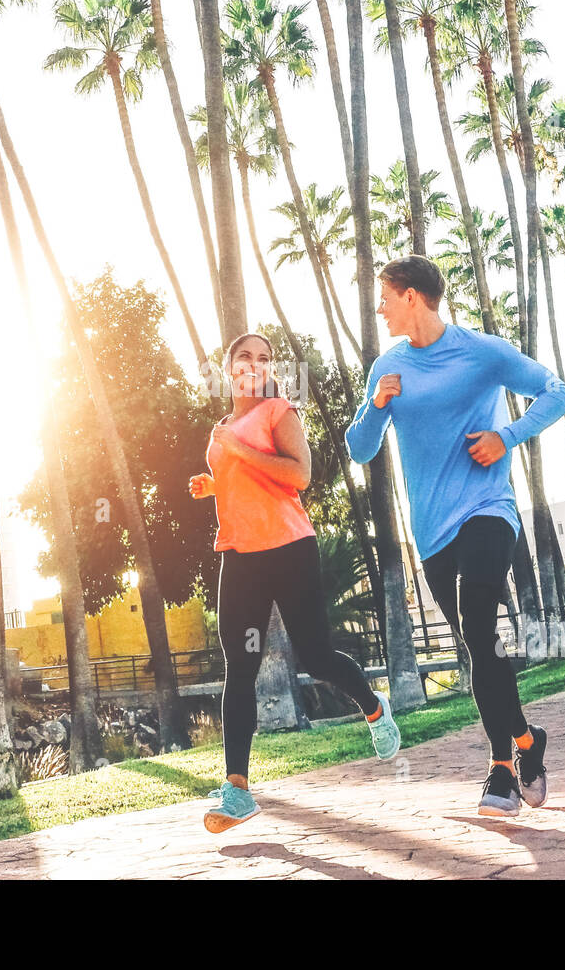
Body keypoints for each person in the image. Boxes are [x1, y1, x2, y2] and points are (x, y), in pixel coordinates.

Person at [345, 256, 565, 818]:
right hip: (430, 531)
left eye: (385, 296)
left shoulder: (482, 352)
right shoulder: (386, 369)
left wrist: (507, 435)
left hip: (488, 510)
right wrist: (376, 408)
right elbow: (359, 448)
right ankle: (525, 741)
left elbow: (557, 393)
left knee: (477, 624)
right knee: (478, 646)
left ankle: (500, 768)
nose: (379, 306)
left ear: (414, 297)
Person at [189, 332, 401, 833]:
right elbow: (245, 481)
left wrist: (235, 449)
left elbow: (298, 474)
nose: (254, 364)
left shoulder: (278, 412)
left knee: (315, 656)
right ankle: (237, 790)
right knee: (239, 668)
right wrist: (213, 484)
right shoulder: (221, 427)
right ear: (227, 367)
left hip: (289, 548)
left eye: (263, 358)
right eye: (244, 356)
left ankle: (373, 705)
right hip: (239, 553)